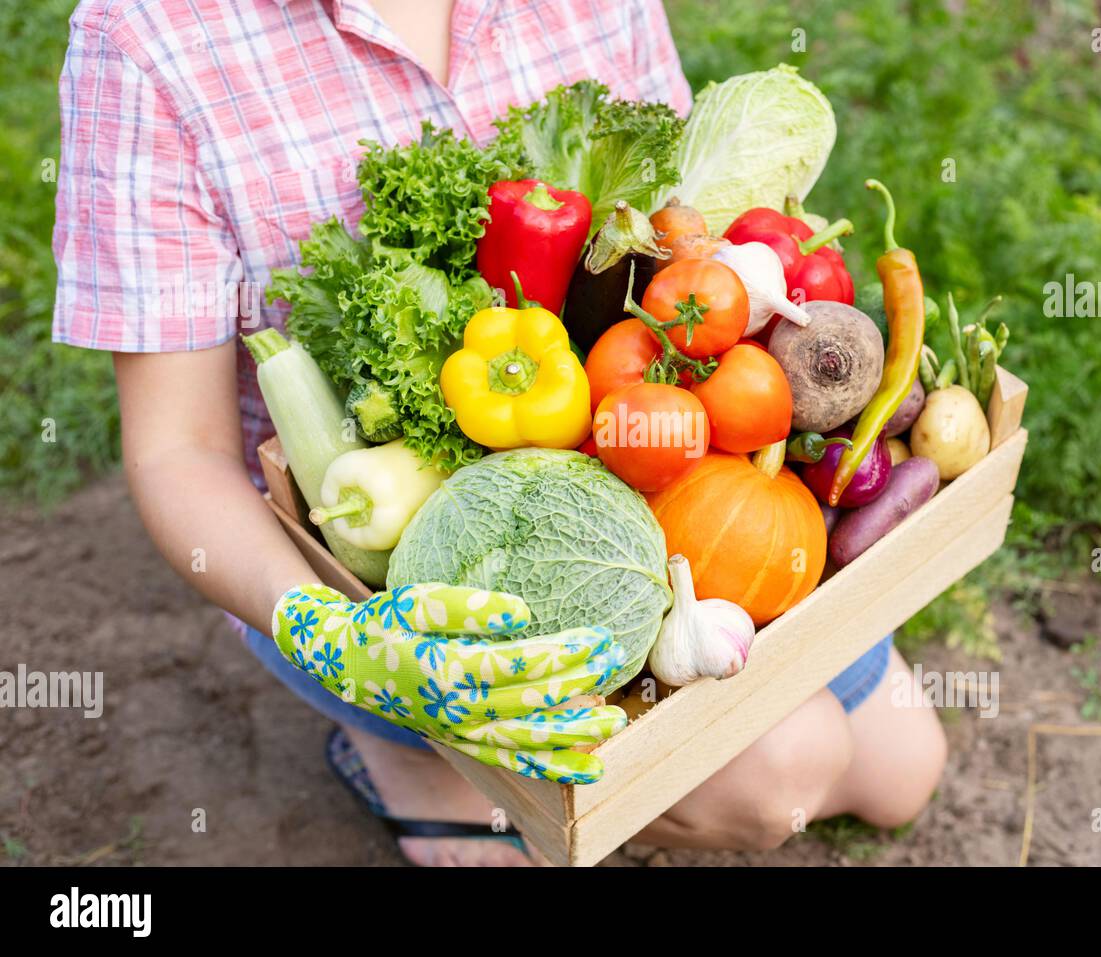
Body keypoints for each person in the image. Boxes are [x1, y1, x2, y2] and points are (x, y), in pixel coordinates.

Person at [53, 0, 946, 866]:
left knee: (905, 773)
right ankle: (405, 747)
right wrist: (328, 628)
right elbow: (179, 452)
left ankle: (520, 777)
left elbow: (678, 227)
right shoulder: (145, 36)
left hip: (652, 472)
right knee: (778, 773)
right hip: (387, 576)